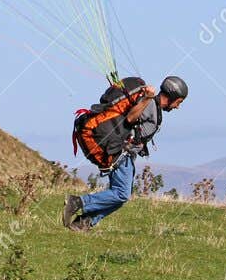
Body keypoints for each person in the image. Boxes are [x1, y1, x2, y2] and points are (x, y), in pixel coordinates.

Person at [63, 75, 187, 231]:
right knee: (122, 194)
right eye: (179, 102)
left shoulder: (153, 107)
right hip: (121, 152)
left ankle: (83, 223)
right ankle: (78, 203)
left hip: (125, 153)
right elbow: (130, 118)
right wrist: (147, 98)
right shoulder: (149, 104)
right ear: (172, 96)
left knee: (121, 195)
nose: (178, 106)